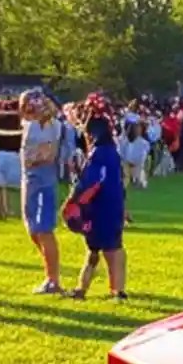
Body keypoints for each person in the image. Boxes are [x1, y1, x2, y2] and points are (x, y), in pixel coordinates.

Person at [64, 113, 127, 301]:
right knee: (113, 247)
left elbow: (92, 182)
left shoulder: (97, 154)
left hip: (99, 207)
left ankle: (90, 289)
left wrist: (74, 199)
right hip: (114, 205)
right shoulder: (113, 153)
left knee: (97, 250)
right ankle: (116, 289)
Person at [19, 90, 64, 295]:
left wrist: (32, 158)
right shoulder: (30, 125)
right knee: (32, 229)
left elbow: (49, 154)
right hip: (30, 179)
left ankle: (53, 281)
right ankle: (50, 273)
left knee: (43, 229)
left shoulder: (48, 125)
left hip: (41, 180)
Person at [0, 97, 23, 220]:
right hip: (15, 155)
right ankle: (18, 211)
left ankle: (2, 207)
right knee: (19, 186)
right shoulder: (21, 120)